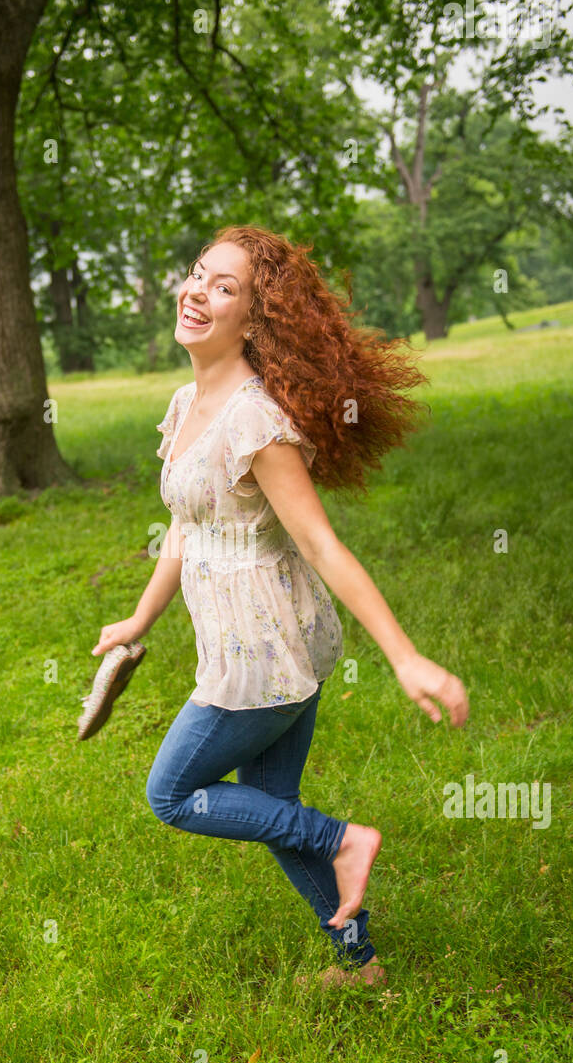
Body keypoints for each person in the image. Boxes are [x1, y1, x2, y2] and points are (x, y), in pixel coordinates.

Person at [91, 225, 469, 988]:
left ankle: (343, 839)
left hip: (262, 658)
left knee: (171, 794)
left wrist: (406, 657)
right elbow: (183, 531)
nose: (196, 291)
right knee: (267, 806)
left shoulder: (257, 422)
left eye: (223, 287)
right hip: (263, 646)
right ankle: (359, 963)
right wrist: (138, 621)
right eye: (198, 274)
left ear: (253, 321)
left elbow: (325, 548)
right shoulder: (187, 401)